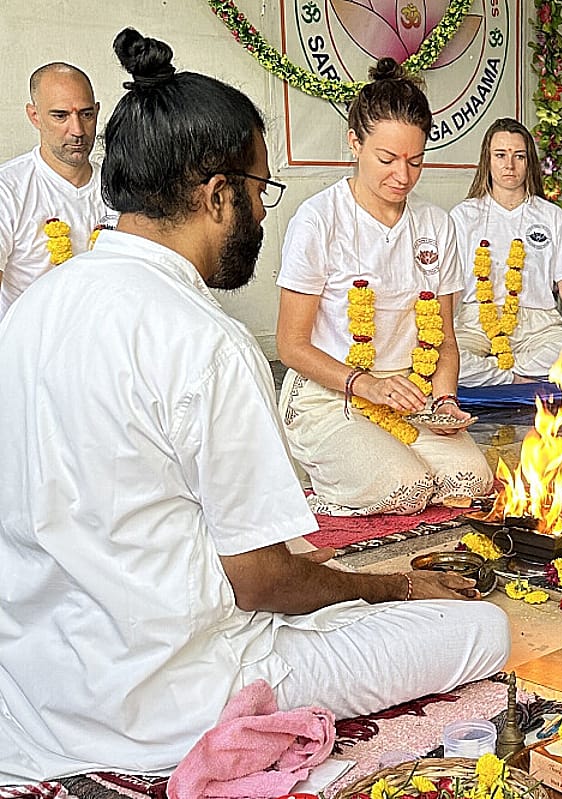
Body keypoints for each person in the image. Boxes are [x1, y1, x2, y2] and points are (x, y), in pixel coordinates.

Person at [0, 30, 509, 783]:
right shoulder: (207, 339)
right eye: (260, 192)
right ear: (216, 195)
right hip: (180, 694)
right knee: (482, 630)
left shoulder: (31, 310)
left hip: (37, 692)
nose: (264, 218)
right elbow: (263, 583)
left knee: (339, 594)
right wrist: (392, 585)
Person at [276, 60, 492, 516]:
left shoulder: (435, 224)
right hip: (331, 393)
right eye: (387, 159)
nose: (403, 175)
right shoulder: (319, 219)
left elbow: (446, 339)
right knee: (407, 489)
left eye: (415, 161)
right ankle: (324, 472)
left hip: (412, 396)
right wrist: (368, 386)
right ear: (355, 143)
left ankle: (380, 460)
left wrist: (446, 399)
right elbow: (291, 346)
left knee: (473, 479)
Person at [450, 117, 562, 387]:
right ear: (487, 160)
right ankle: (515, 377)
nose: (509, 165)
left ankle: (495, 371)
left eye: (519, 156)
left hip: (537, 327)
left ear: (529, 163)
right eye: (500, 155)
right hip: (476, 323)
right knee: (434, 360)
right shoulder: (463, 215)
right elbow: (450, 286)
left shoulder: (551, 216)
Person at [0, 62, 113, 319]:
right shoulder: (8, 189)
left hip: (104, 343)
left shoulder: (120, 189)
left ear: (97, 112)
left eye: (86, 114)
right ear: (34, 116)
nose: (78, 130)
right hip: (28, 351)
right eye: (60, 115)